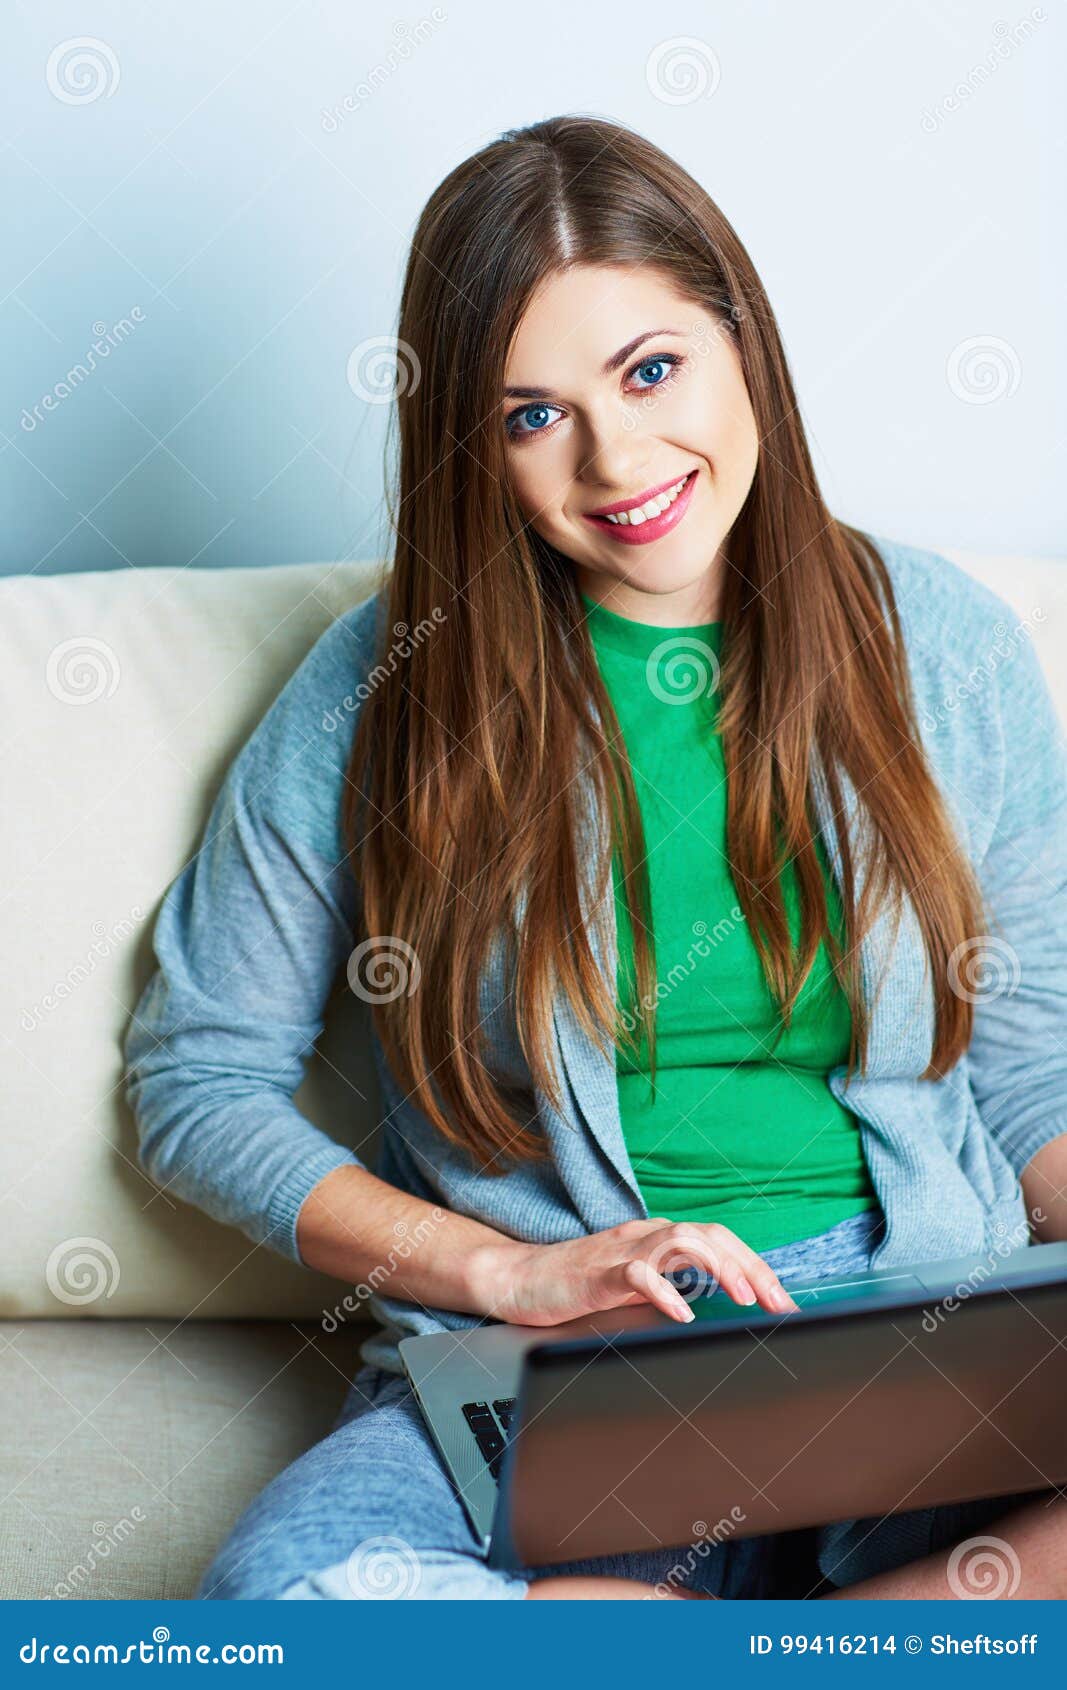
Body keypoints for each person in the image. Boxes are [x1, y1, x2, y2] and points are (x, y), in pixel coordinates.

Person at [124, 114, 1067, 1600]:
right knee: (303, 1598)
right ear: (471, 445)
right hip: (583, 1361)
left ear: (740, 340)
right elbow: (198, 1077)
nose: (618, 458)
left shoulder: (942, 646)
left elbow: (1023, 1074)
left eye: (649, 369)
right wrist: (510, 1276)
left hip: (914, 1329)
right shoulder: (385, 692)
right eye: (530, 415)